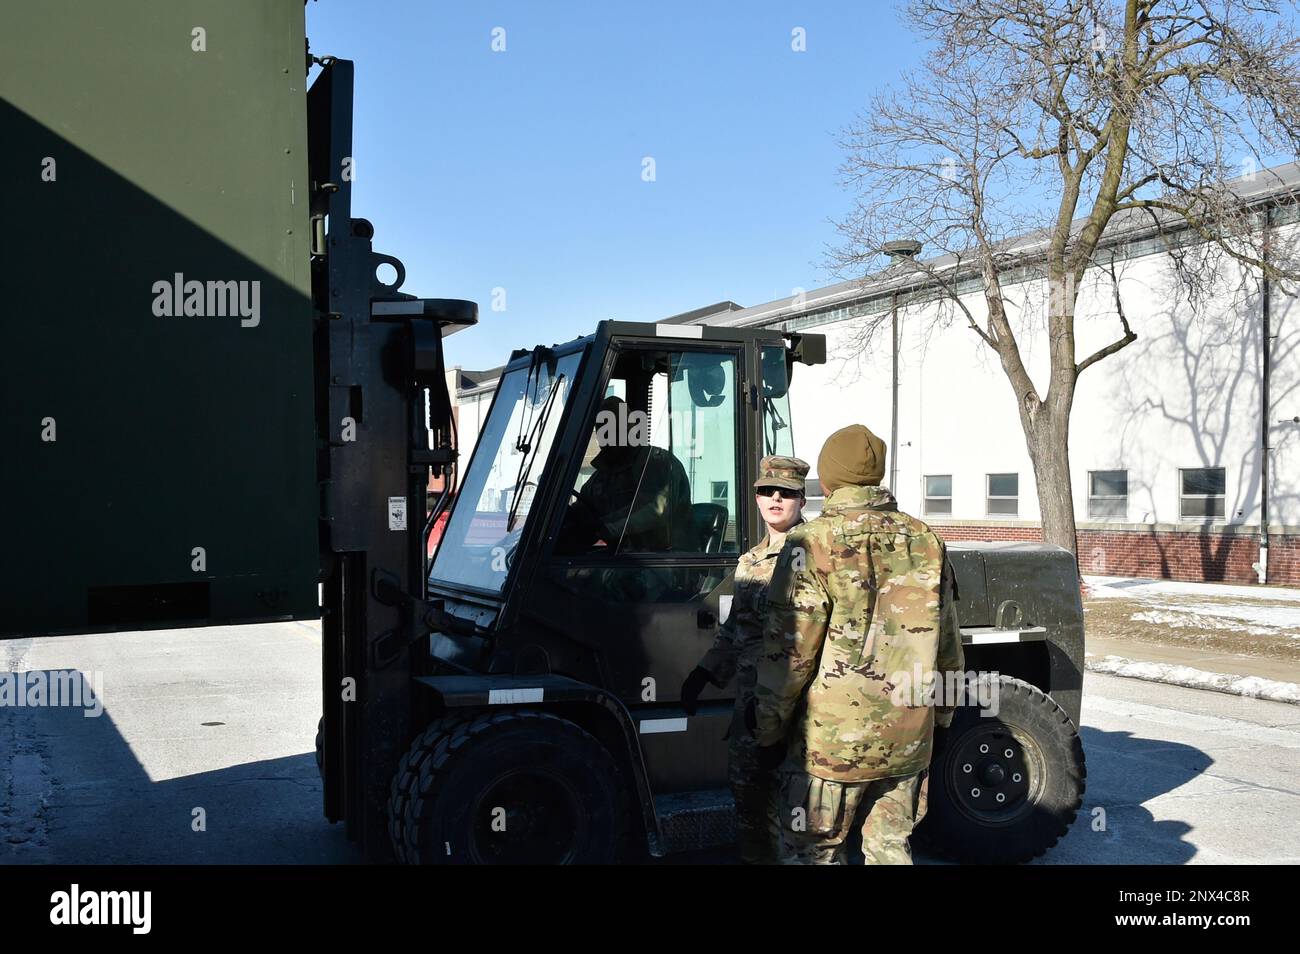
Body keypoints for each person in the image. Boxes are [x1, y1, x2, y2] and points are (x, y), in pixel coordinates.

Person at [749, 424, 963, 865]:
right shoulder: (928, 541)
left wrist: (768, 732)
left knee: (815, 854)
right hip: (908, 739)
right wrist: (941, 722)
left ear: (826, 481)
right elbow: (948, 647)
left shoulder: (809, 542)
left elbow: (790, 654)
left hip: (831, 749)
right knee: (889, 851)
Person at [681, 455, 810, 865]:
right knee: (751, 808)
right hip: (751, 707)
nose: (775, 498)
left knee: (798, 816)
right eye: (766, 491)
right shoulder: (751, 560)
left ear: (801, 500)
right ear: (755, 498)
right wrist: (704, 673)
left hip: (797, 709)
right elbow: (737, 628)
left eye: (786, 492)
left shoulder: (814, 555)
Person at [556, 396, 693, 554]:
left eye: (614, 429)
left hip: (666, 562)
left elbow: (654, 510)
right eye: (601, 429)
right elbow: (584, 511)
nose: (606, 436)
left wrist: (604, 527)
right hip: (623, 562)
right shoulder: (600, 478)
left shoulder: (659, 463)